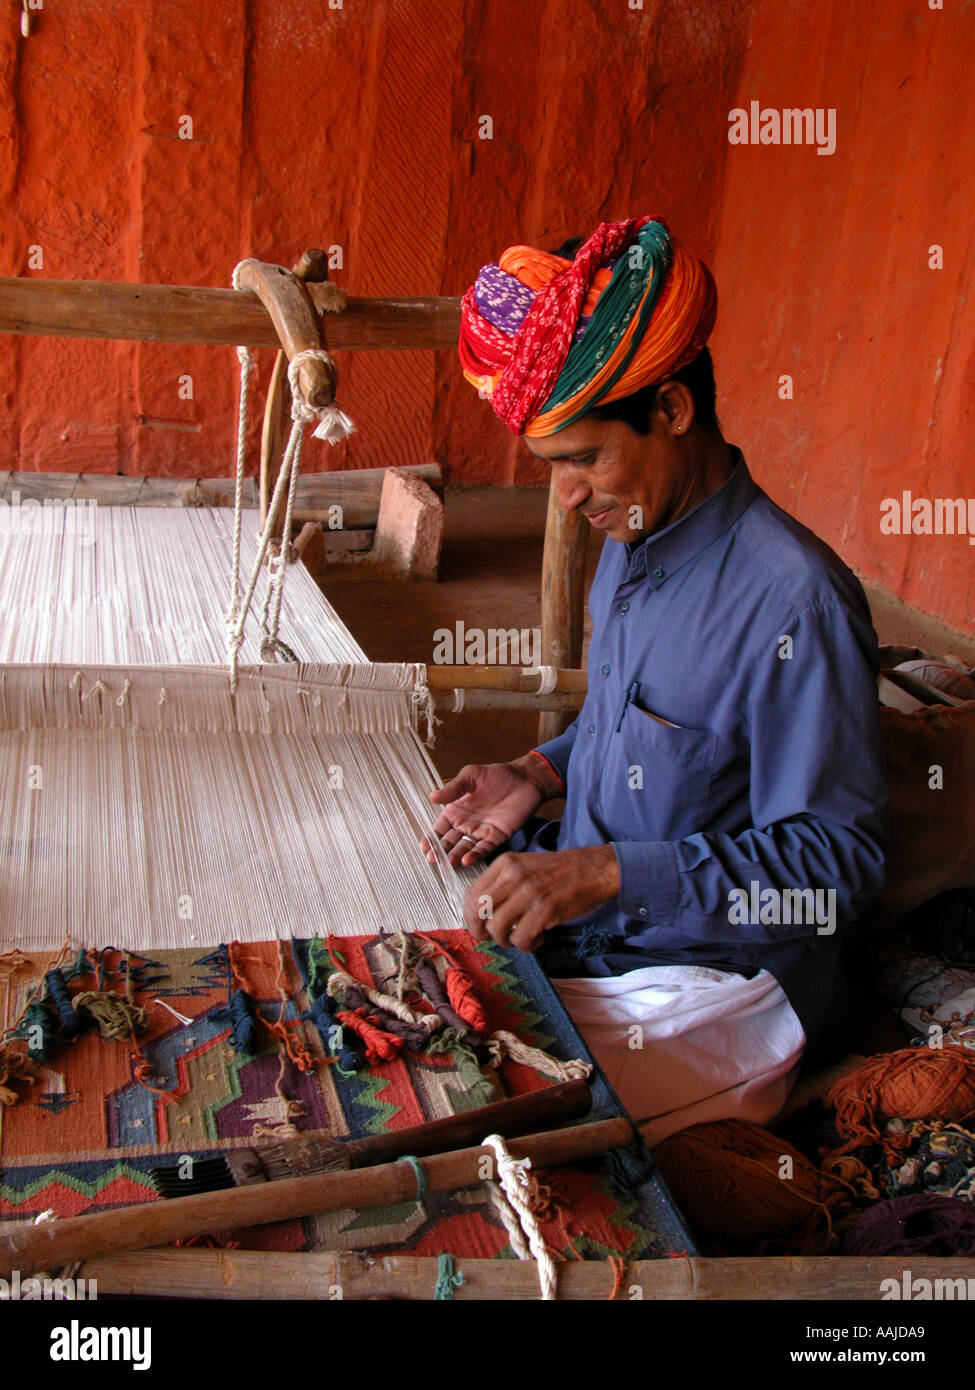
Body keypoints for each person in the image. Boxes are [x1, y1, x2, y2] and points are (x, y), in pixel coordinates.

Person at [423, 216, 888, 1145]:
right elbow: (641, 720)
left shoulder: (795, 605)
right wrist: (540, 773)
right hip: (601, 935)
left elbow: (837, 869)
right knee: (390, 1018)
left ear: (671, 410)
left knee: (471, 1125)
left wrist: (604, 870)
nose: (567, 497)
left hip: (719, 978)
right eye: (551, 467)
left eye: (584, 459)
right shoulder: (634, 535)